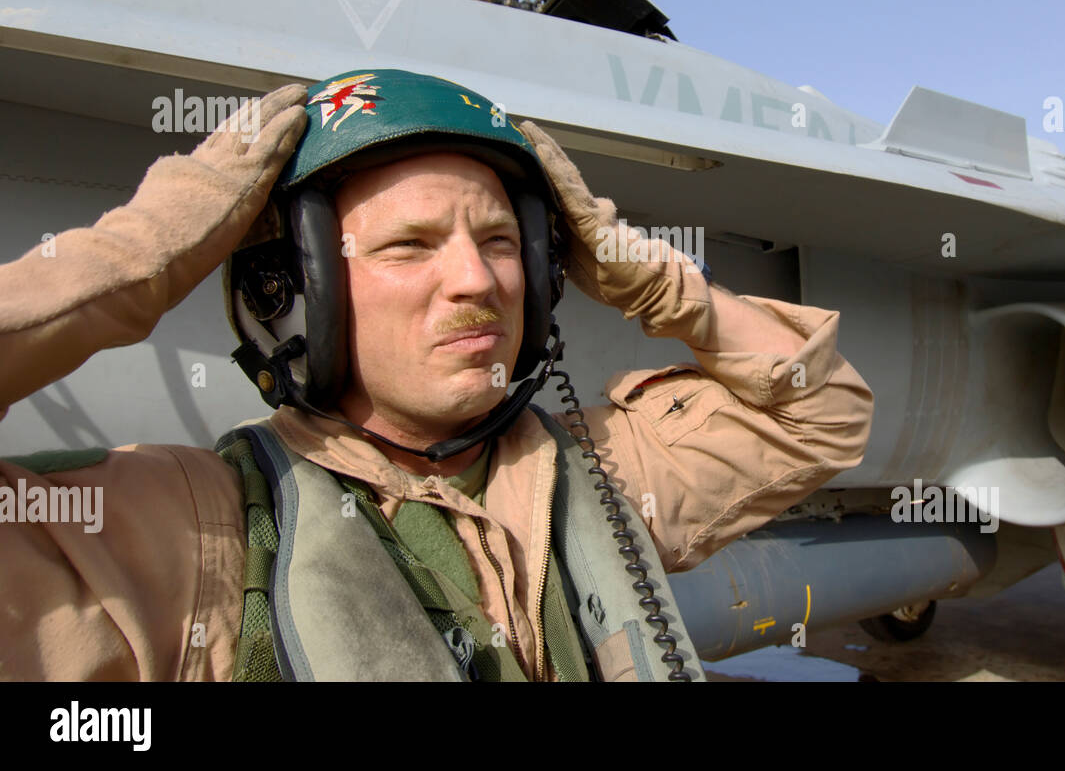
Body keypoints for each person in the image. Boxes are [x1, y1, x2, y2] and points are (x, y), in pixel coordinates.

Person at [0, 69, 873, 682]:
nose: (478, 280)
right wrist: (133, 261)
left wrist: (642, 274)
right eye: (408, 246)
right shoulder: (186, 532)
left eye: (501, 244)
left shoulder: (597, 475)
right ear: (294, 295)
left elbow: (823, 412)